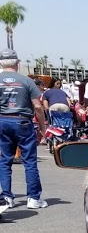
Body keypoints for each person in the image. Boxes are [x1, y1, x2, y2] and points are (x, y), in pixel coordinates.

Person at [0, 48, 48, 211]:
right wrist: (42, 127)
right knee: (29, 161)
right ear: (18, 63)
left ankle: (6, 197)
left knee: (5, 160)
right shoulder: (27, 81)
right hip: (23, 121)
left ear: (1, 63)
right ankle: (33, 198)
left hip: (2, 121)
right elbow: (38, 107)